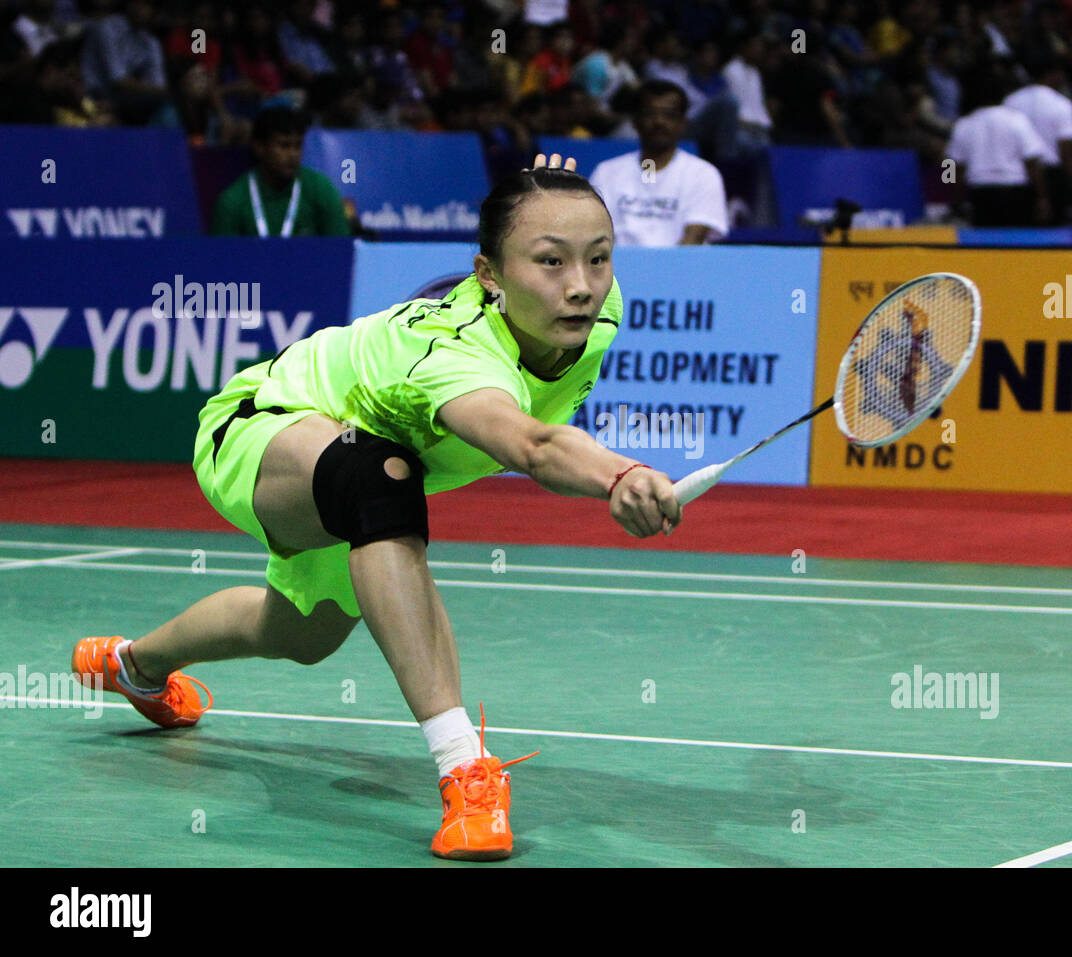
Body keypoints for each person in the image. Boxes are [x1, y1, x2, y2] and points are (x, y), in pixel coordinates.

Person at [72, 153, 682, 862]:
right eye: (550, 261)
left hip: (354, 465)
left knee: (298, 633)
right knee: (382, 479)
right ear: (489, 274)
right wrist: (619, 473)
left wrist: (547, 194)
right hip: (259, 425)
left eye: (598, 259)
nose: (580, 286)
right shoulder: (451, 352)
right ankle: (464, 769)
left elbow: (562, 275)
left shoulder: (598, 310)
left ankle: (133, 665)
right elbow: (535, 444)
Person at [588, 79, 729, 246]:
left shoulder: (704, 174)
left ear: (683, 123)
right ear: (635, 121)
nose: (659, 122)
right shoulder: (606, 172)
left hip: (681, 270)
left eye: (669, 115)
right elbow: (594, 237)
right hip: (618, 270)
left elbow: (693, 242)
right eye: (650, 113)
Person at [209, 107, 350, 237]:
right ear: (259, 147)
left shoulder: (321, 189)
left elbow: (342, 248)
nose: (293, 154)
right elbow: (222, 259)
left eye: (298, 145)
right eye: (284, 145)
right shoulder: (232, 202)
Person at [946, 69, 1052, 226]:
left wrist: (955, 198)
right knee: (1016, 244)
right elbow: (1032, 161)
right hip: (1015, 192)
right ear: (1003, 94)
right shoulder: (1017, 120)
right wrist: (1042, 197)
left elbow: (952, 167)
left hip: (980, 193)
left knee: (983, 246)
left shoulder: (964, 125)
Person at [1003, 58, 1072, 223]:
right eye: (1061, 73)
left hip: (1017, 177)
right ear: (1052, 74)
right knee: (1053, 237)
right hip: (1051, 179)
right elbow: (1067, 153)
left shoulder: (1010, 101)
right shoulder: (1062, 104)